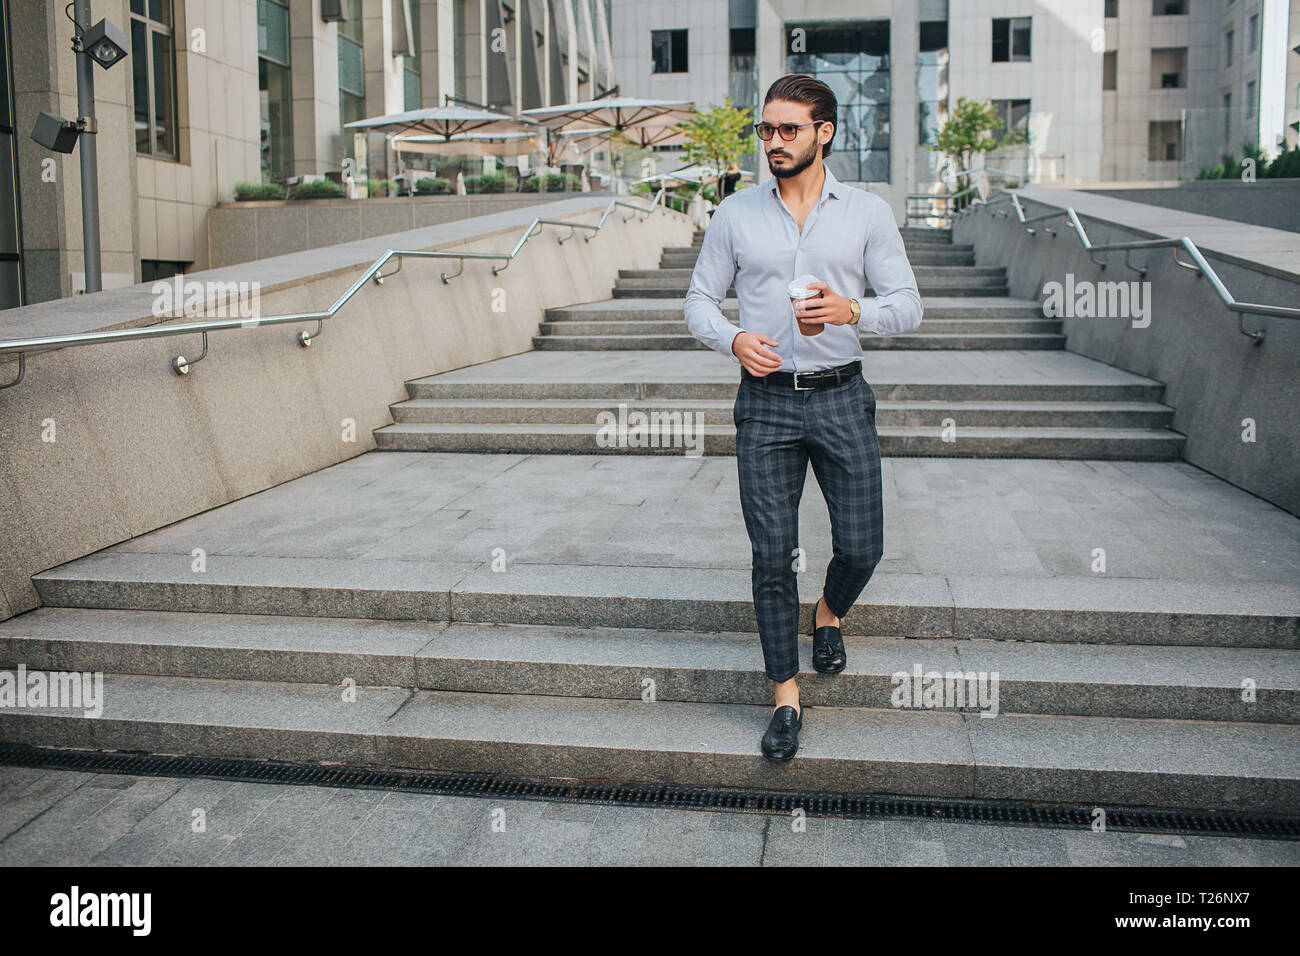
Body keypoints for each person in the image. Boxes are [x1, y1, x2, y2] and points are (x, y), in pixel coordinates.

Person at [684, 74, 923, 761]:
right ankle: (785, 698)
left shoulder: (867, 213)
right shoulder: (735, 214)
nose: (773, 141)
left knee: (863, 545)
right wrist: (730, 338)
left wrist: (853, 310)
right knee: (770, 556)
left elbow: (907, 303)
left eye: (788, 129)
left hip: (843, 393)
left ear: (825, 132)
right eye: (766, 129)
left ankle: (827, 615)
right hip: (765, 403)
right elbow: (699, 298)